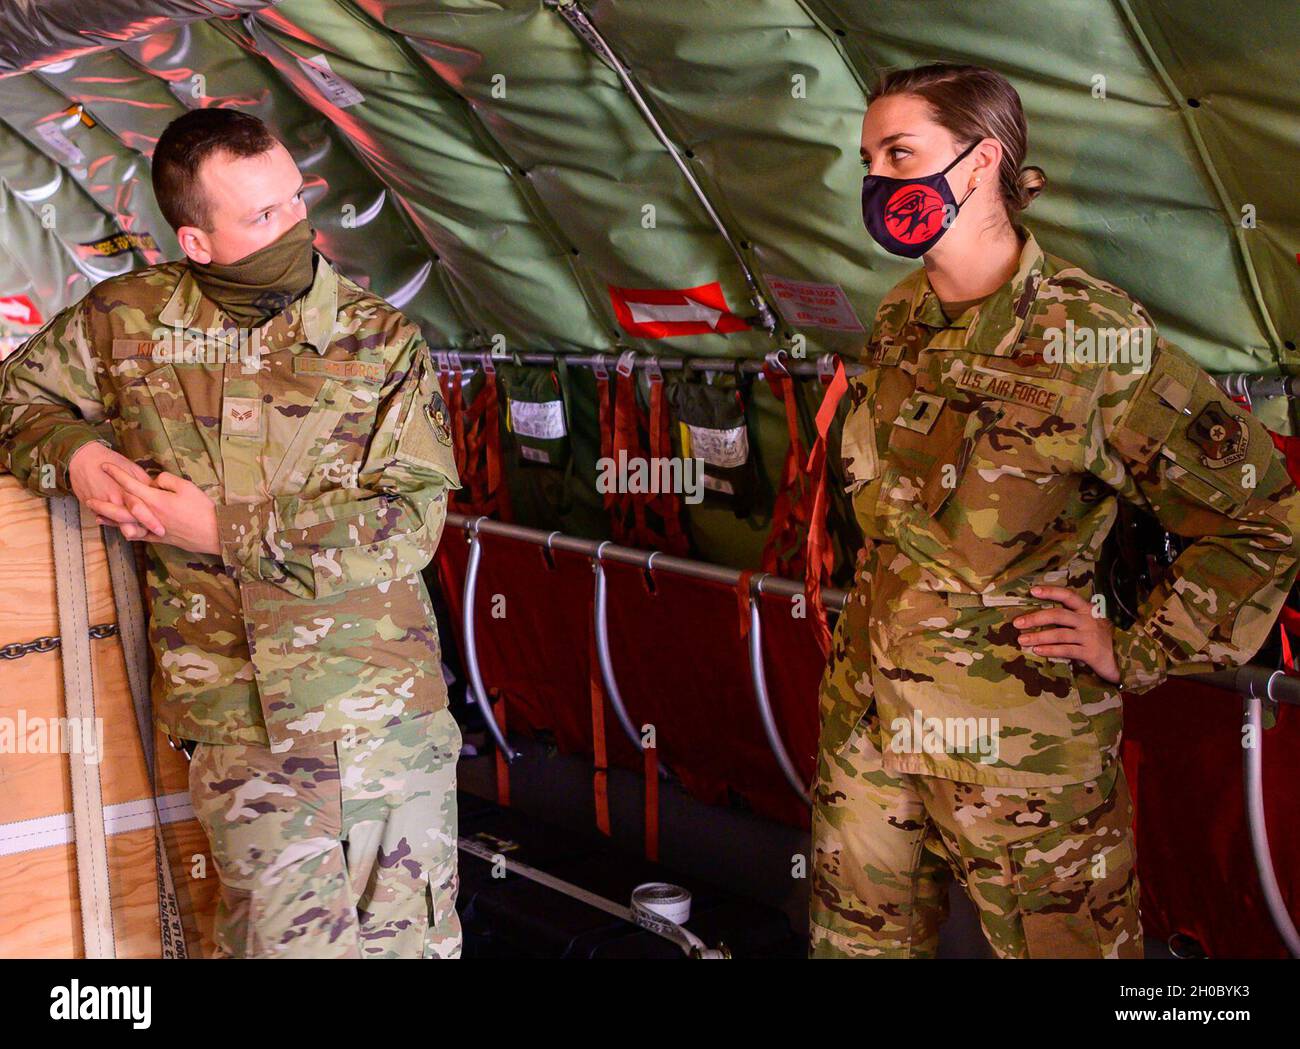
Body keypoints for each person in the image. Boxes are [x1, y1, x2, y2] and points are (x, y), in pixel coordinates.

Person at [811, 63, 1300, 958]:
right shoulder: (900, 316)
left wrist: (1140, 647)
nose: (877, 182)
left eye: (900, 153)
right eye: (869, 159)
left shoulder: (1093, 337)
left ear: (979, 161)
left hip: (1022, 753)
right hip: (872, 727)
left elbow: (1262, 516)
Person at [0, 108, 463, 958]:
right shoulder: (124, 323)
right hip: (244, 737)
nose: (296, 228)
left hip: (386, 724)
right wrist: (75, 456)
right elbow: (15, 398)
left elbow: (410, 522)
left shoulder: (381, 338)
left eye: (295, 201)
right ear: (197, 239)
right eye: (262, 216)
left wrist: (219, 528)